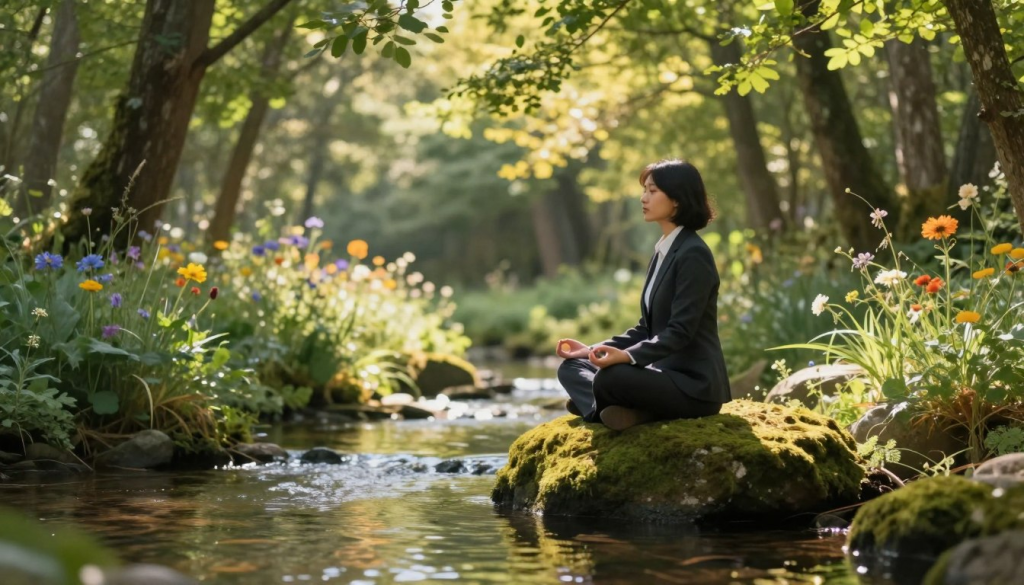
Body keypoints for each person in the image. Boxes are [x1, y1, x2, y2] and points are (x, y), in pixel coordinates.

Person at [556, 159, 731, 431]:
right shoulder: (663, 251)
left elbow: (680, 331)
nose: (643, 198)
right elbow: (646, 328)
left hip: (693, 387)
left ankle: (595, 407)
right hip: (661, 378)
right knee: (571, 367)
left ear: (676, 200)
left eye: (652, 191)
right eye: (644, 190)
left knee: (609, 379)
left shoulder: (693, 254)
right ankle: (613, 410)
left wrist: (625, 358)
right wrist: (591, 350)